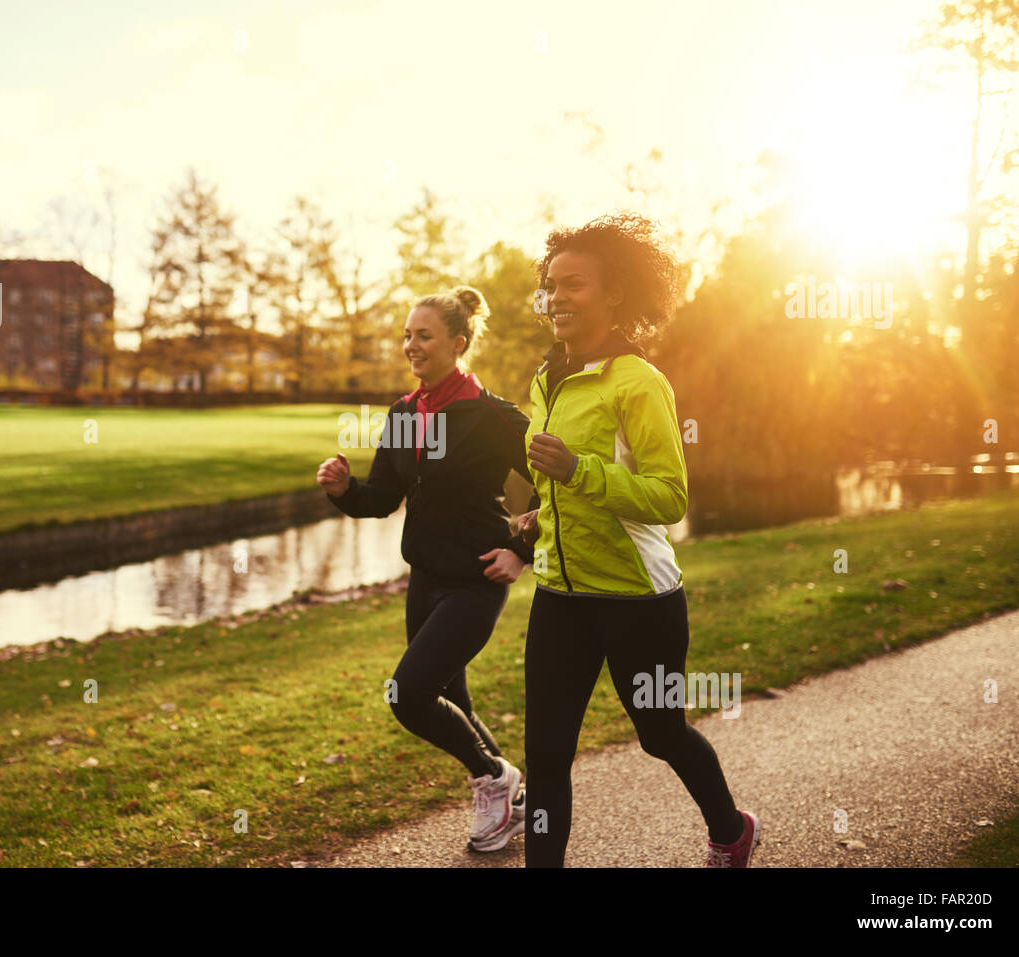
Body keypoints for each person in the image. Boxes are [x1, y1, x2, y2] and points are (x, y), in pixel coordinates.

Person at [517, 213, 761, 867]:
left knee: (659, 733)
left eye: (575, 284)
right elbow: (561, 491)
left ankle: (732, 828)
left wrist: (578, 470)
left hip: (636, 601)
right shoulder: (547, 379)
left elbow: (668, 497)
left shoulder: (638, 382)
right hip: (560, 598)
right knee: (544, 754)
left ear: (614, 294)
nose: (557, 296)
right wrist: (540, 516)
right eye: (550, 285)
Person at [316, 286, 539, 853]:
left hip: (476, 578)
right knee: (450, 701)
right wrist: (345, 490)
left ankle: (494, 780)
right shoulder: (404, 413)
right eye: (407, 335)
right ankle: (512, 797)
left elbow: (557, 487)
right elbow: (384, 496)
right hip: (426, 578)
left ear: (457, 344)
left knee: (408, 694)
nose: (410, 345)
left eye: (424, 336)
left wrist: (523, 550)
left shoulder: (492, 415)